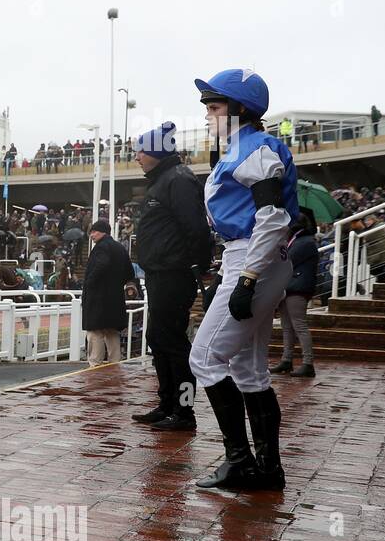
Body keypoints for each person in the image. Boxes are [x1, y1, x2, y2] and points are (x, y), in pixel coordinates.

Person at [190, 68, 299, 491]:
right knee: (249, 369)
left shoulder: (254, 148)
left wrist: (248, 278)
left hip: (255, 257)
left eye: (213, 108)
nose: (207, 116)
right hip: (253, 256)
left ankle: (240, 461)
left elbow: (272, 219)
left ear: (239, 109)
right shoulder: (244, 148)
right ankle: (267, 469)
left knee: (203, 358)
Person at [129, 122, 214, 431]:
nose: (136, 156)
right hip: (160, 272)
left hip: (174, 274)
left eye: (140, 150)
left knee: (174, 342)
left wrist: (198, 265)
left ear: (155, 151)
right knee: (158, 338)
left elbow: (196, 227)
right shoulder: (163, 180)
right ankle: (167, 404)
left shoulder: (177, 180)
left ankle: (184, 411)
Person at [270, 208, 318, 378]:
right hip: (288, 287)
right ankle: (286, 360)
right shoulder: (296, 240)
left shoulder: (305, 242)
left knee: (299, 326)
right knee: (287, 327)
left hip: (297, 288)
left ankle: (308, 363)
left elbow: (287, 259)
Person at [81, 220, 133, 367]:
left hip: (97, 299)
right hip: (115, 298)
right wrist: (115, 284)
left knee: (95, 332)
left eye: (94, 231)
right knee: (112, 332)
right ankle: (114, 365)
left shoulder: (101, 248)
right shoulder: (120, 248)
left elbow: (101, 265)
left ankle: (95, 366)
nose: (91, 235)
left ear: (103, 231)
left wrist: (89, 283)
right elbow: (129, 272)